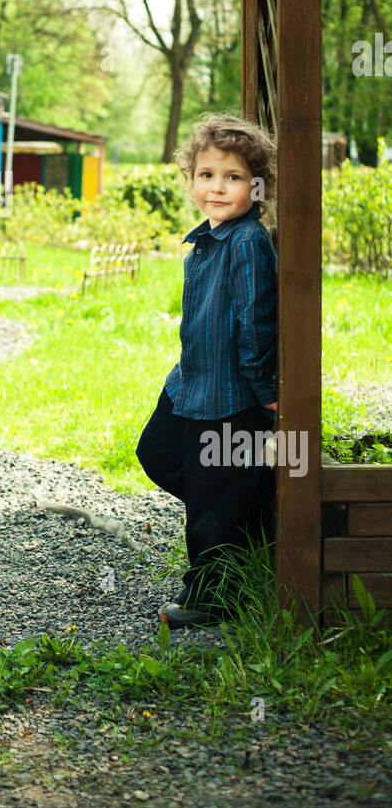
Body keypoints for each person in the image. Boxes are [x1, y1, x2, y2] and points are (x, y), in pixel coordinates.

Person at [135, 113, 278, 629]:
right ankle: (242, 502)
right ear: (191, 178)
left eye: (234, 177)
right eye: (207, 174)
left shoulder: (246, 242)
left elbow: (255, 323)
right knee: (156, 452)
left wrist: (267, 393)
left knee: (212, 509)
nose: (217, 187)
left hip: (231, 399)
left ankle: (214, 598)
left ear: (257, 187)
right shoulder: (207, 238)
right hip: (190, 384)